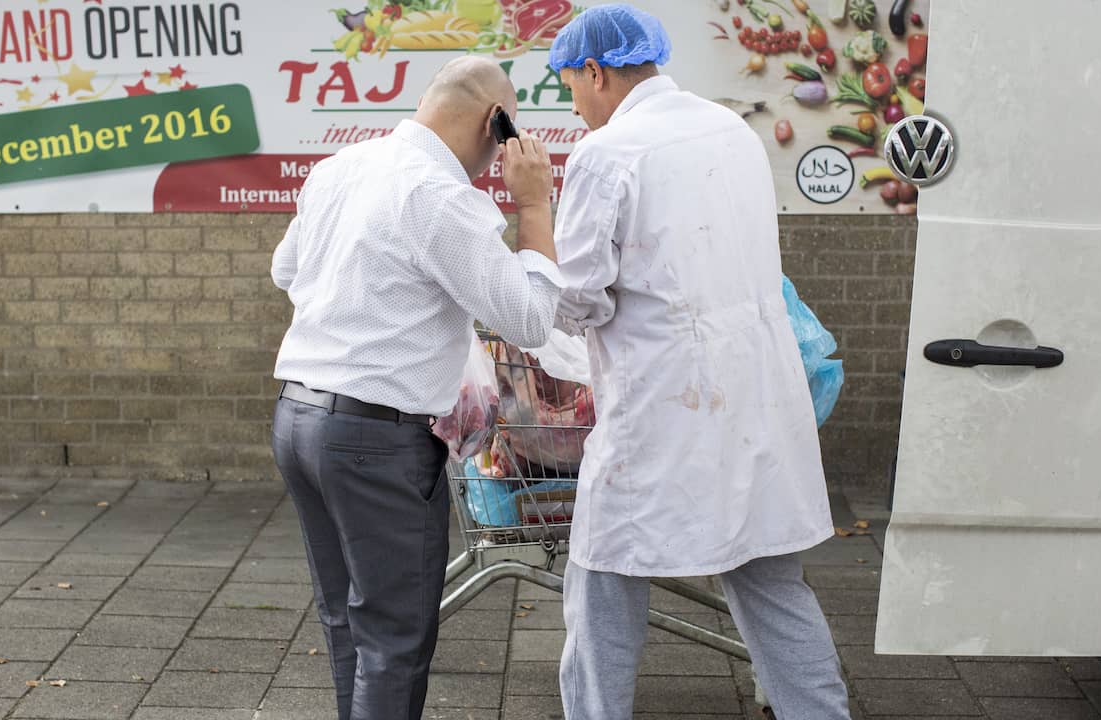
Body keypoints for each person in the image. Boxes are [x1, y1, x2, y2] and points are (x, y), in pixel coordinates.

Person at [547, 6, 852, 719]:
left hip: (662, 405)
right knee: (772, 580)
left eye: (571, 86)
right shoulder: (730, 129)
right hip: (755, 395)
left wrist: (535, 216)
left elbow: (580, 302)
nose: (574, 103)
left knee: (602, 577)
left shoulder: (607, 153)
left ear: (596, 71)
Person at [268, 56, 562, 720]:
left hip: (298, 418)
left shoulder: (340, 167)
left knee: (350, 622)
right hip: (377, 440)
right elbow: (529, 318)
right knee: (394, 640)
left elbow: (286, 269)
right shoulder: (441, 196)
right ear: (497, 122)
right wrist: (534, 204)